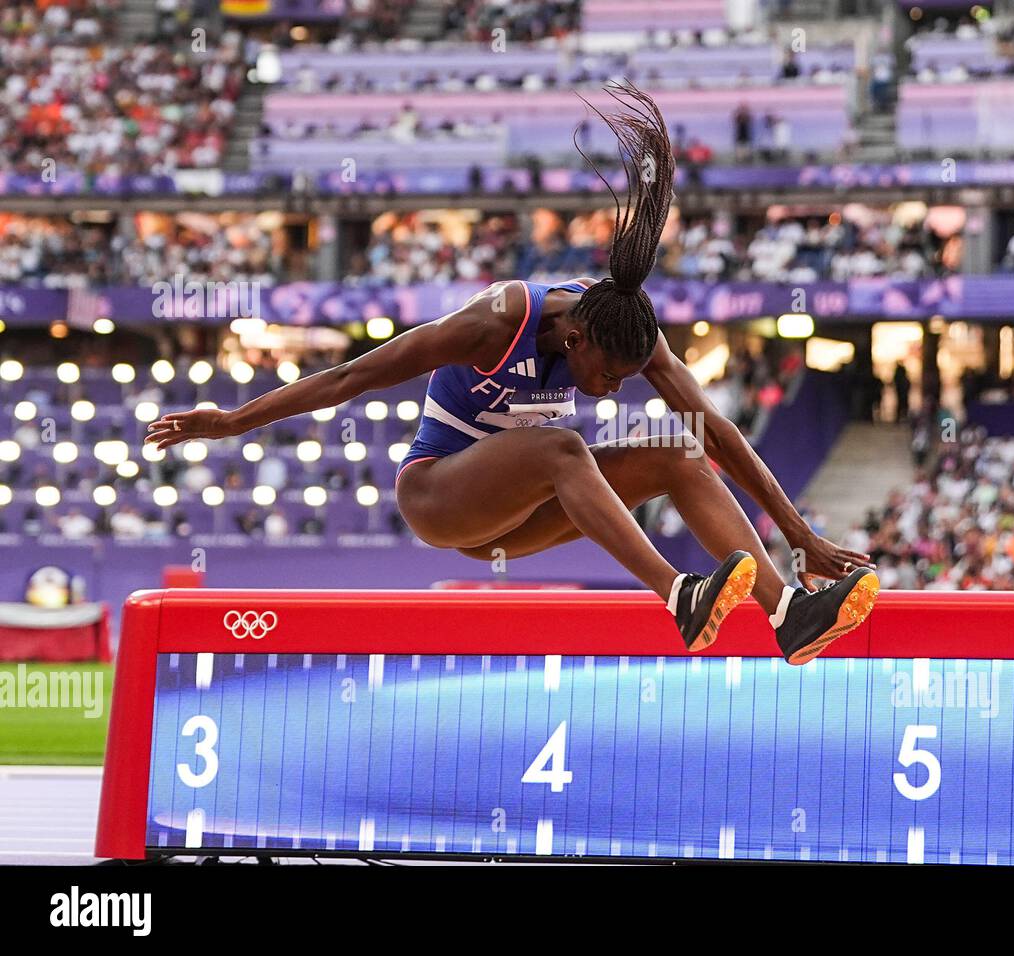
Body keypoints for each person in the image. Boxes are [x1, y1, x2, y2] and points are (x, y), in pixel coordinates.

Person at [147, 83, 878, 666]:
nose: (614, 388)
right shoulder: (492, 323)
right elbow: (348, 379)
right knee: (563, 447)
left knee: (681, 451)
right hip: (441, 498)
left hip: (522, 515)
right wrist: (233, 420)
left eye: (626, 377)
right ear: (574, 334)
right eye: (608, 374)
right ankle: (677, 594)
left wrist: (798, 531)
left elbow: (718, 430)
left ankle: (788, 614)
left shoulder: (626, 325)